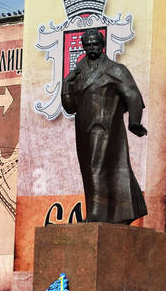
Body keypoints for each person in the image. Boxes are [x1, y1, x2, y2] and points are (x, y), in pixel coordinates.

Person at [60, 28, 148, 223]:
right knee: (90, 170)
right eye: (88, 44)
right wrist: (67, 84)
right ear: (83, 46)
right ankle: (121, 212)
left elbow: (133, 94)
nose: (92, 47)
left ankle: (97, 215)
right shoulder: (78, 73)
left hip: (105, 127)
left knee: (95, 167)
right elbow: (70, 107)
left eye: (95, 44)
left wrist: (134, 122)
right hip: (83, 129)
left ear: (102, 45)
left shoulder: (115, 69)